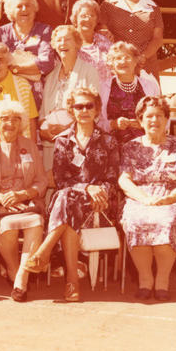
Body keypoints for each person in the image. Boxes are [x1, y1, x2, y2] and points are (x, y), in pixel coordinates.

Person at [26, 87, 121, 302]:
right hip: (71, 201)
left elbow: (113, 179)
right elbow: (61, 179)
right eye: (79, 106)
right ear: (72, 110)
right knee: (67, 201)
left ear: (97, 110)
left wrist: (96, 190)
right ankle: (72, 282)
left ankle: (44, 252)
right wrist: (86, 187)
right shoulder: (62, 141)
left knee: (65, 200)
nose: (84, 110)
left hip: (100, 202)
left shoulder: (109, 141)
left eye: (89, 106)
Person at [118, 96, 176, 301]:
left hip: (175, 197)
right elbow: (124, 180)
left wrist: (170, 198)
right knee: (134, 220)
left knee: (166, 221)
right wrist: (143, 198)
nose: (154, 120)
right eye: (149, 116)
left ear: (167, 119)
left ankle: (162, 280)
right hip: (140, 197)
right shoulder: (130, 147)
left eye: (159, 116)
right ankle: (145, 279)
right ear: (141, 120)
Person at [0, 100, 47, 301]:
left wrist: (23, 194)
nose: (10, 123)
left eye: (16, 119)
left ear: (21, 123)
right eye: (5, 119)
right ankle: (14, 270)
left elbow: (42, 180)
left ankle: (20, 279)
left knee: (36, 223)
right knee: (8, 226)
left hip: (26, 200)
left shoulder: (29, 145)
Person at [39, 25, 100, 169]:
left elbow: (95, 110)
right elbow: (42, 113)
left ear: (77, 44)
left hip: (78, 144)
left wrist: (67, 130)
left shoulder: (89, 72)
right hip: (51, 147)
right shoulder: (50, 75)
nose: (62, 44)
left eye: (67, 39)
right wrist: (44, 131)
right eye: (59, 40)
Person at [99, 0, 164, 79]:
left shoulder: (153, 7)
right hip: (117, 65)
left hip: (146, 65)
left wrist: (142, 57)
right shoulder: (107, 5)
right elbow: (102, 34)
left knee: (149, 97)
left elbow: (157, 39)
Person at [0, 0, 54, 111]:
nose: (24, 9)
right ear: (11, 10)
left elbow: (47, 63)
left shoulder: (44, 30)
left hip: (36, 95)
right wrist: (33, 66)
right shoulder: (2, 32)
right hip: (7, 93)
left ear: (34, 8)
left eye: (28, 5)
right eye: (19, 6)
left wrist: (15, 68)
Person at [104, 41, 161, 145]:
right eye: (118, 58)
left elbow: (161, 117)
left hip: (145, 143)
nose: (123, 62)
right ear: (111, 63)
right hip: (112, 144)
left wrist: (144, 123)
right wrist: (113, 124)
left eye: (127, 57)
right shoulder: (103, 87)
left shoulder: (150, 85)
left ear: (136, 61)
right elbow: (97, 121)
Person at [71, 0, 113, 87]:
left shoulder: (104, 41)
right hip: (78, 92)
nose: (88, 19)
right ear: (75, 19)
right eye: (83, 16)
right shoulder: (69, 40)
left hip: (105, 91)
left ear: (97, 20)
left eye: (92, 15)